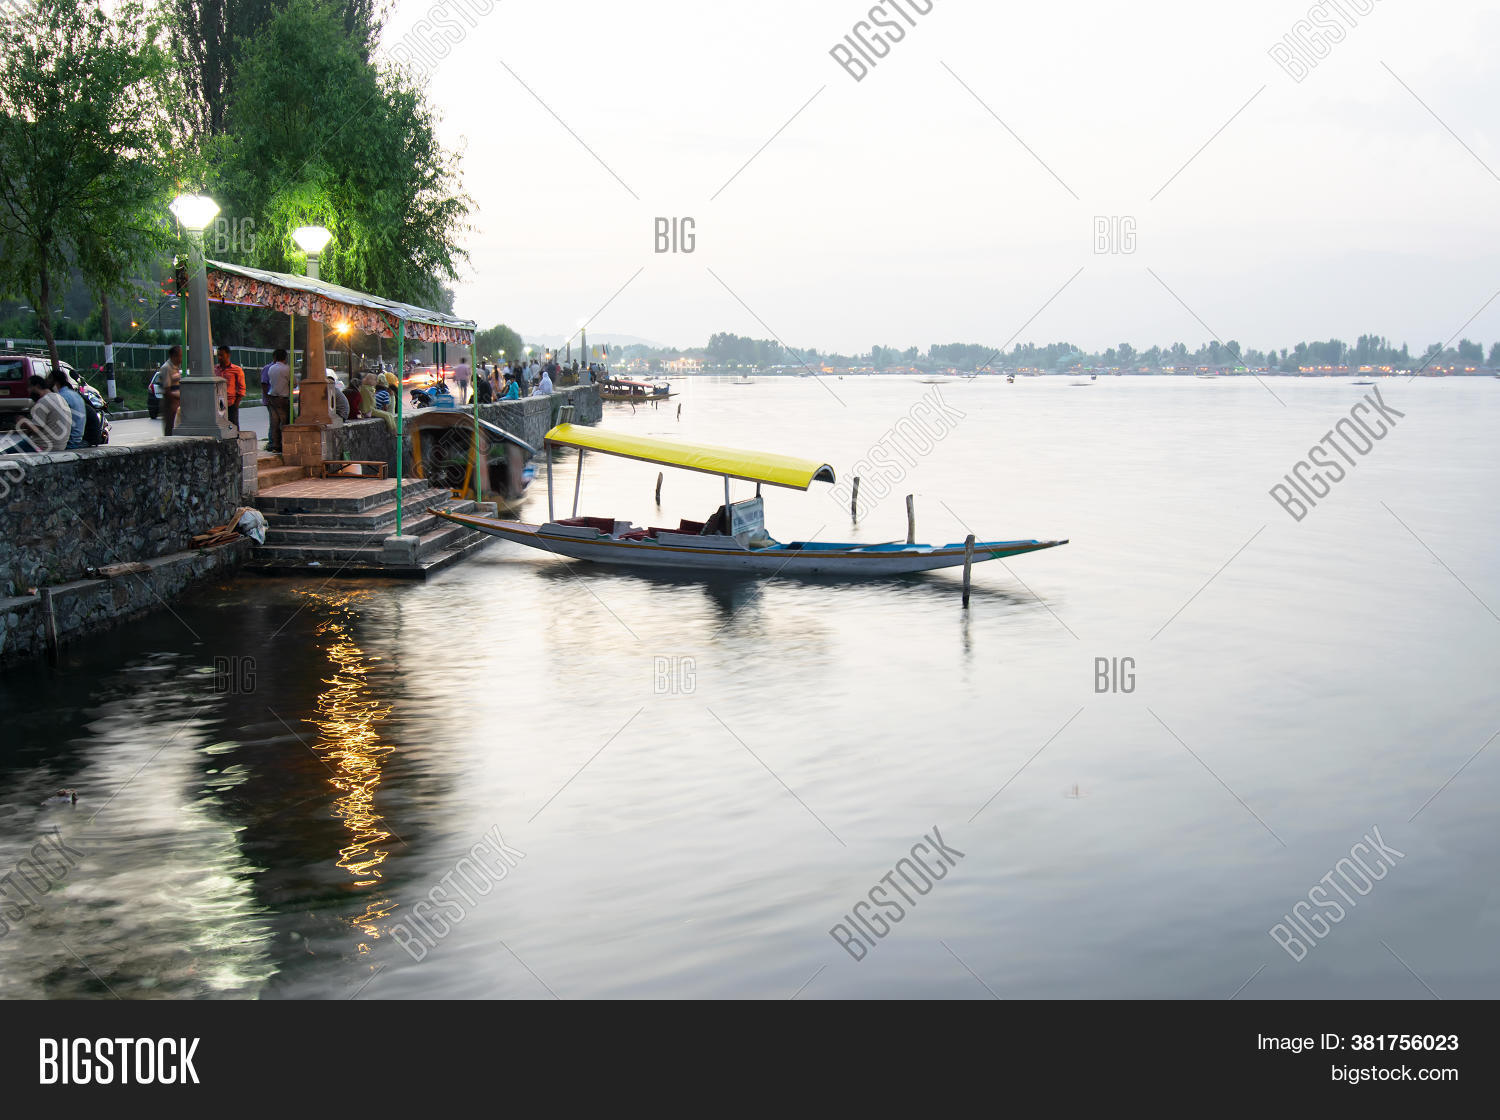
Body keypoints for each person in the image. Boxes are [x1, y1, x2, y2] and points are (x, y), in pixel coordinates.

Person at [19, 374, 71, 451]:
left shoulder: (43, 402)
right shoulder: (59, 397)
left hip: (42, 447)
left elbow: (36, 429)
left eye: (29, 387)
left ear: (37, 386)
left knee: (4, 455)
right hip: (60, 446)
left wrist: (23, 421)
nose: (28, 391)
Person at [50, 370, 87, 449]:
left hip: (68, 442)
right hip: (77, 439)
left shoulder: (60, 397)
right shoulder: (75, 395)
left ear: (55, 382)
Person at [265, 348, 292, 452]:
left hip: (272, 397)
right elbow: (294, 383)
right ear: (285, 358)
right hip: (282, 398)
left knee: (274, 422)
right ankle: (284, 444)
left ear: (275, 357)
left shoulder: (271, 368)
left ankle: (275, 445)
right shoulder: (287, 369)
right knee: (284, 422)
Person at [215, 345, 246, 430]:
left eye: (221, 355)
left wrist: (236, 403)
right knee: (221, 425)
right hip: (219, 402)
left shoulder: (237, 370)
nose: (219, 357)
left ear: (228, 355)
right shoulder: (215, 369)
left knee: (233, 425)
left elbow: (241, 388)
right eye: (218, 355)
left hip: (231, 402)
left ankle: (235, 442)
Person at [157, 345, 182, 437]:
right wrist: (172, 403)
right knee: (170, 426)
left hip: (177, 402)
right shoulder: (166, 368)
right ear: (174, 356)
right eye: (180, 356)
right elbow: (167, 389)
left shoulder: (176, 368)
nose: (181, 358)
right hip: (170, 402)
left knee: (176, 425)